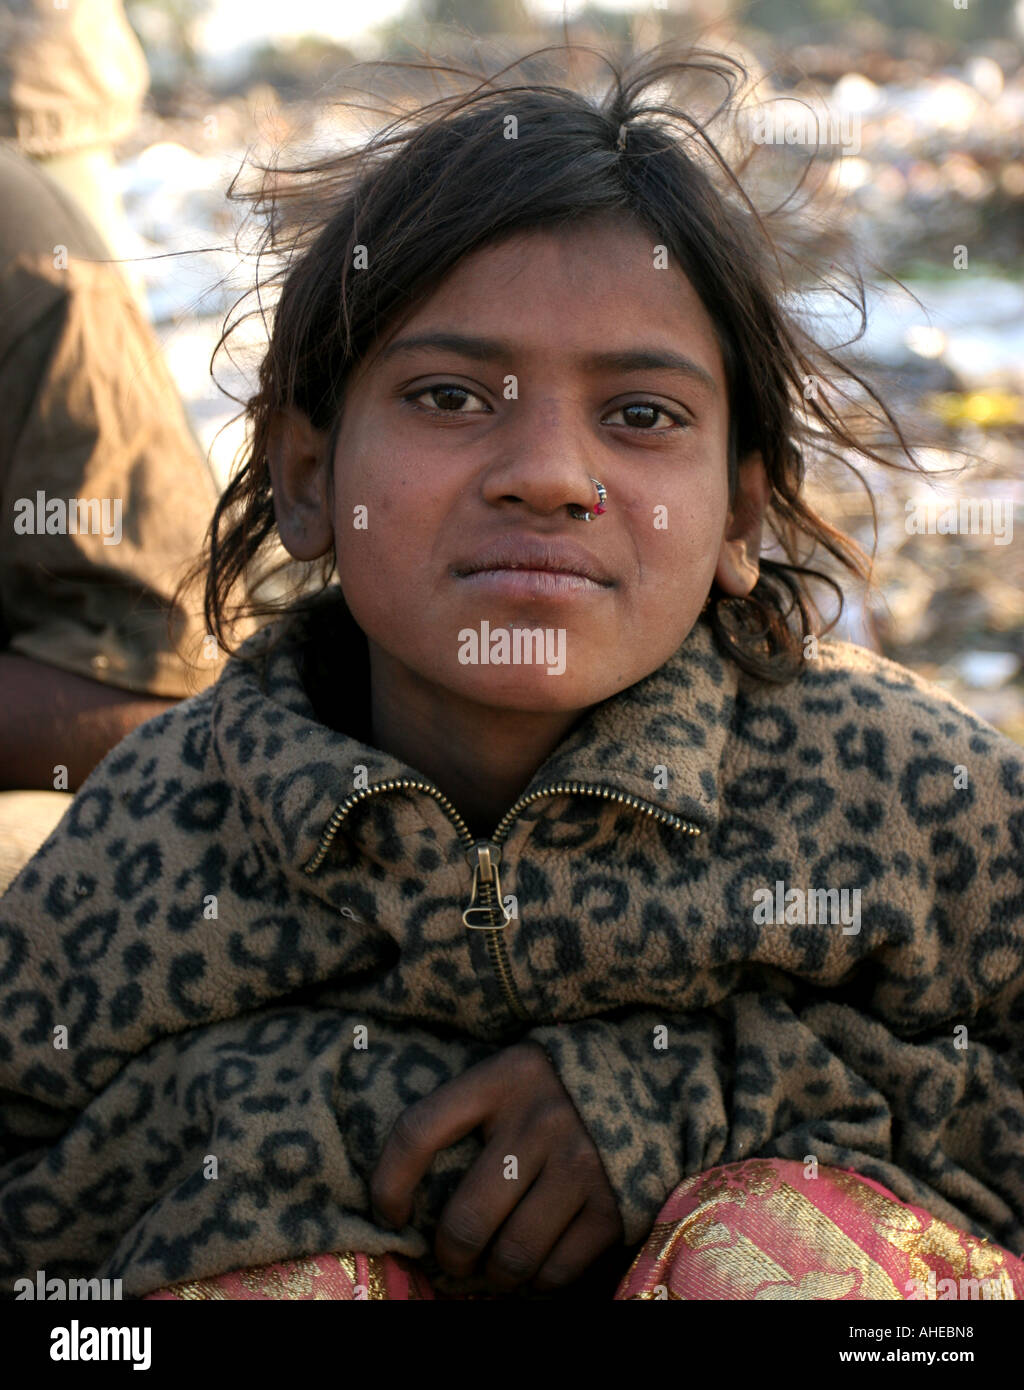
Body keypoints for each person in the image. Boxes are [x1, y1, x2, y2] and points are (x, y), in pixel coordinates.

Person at [1, 46, 1022, 1303]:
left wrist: (685, 1100)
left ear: (739, 513)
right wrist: (331, 1109)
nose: (546, 471)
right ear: (307, 477)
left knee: (761, 1254)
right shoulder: (159, 831)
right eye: (448, 396)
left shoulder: (912, 797)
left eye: (640, 416)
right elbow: (31, 1200)